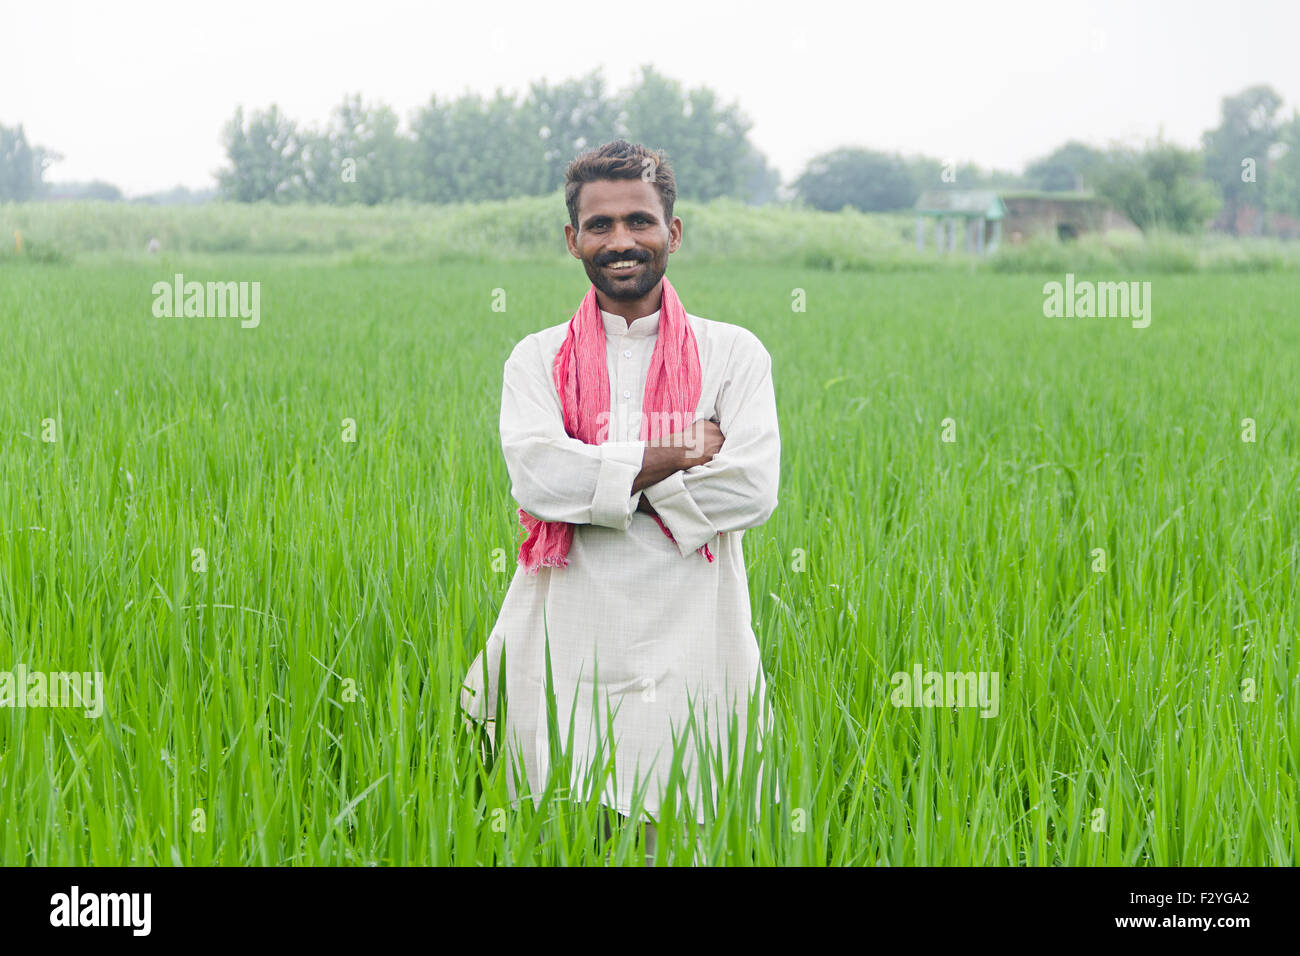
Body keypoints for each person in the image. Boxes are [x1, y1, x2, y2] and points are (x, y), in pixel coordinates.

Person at [460, 139, 780, 863]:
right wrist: (680, 453)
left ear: (673, 231)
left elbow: (753, 487)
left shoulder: (734, 354)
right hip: (567, 634)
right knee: (564, 830)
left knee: (689, 829)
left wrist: (602, 481)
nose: (621, 240)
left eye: (639, 220)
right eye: (599, 225)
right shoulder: (538, 358)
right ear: (573, 240)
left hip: (699, 636)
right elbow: (539, 480)